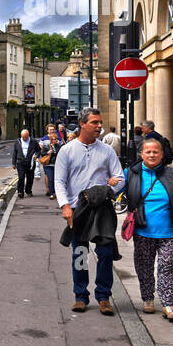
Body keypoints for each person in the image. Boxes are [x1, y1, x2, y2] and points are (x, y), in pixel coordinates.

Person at [55, 107, 124, 314]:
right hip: (78, 210)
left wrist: (109, 187)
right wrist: (65, 206)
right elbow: (59, 181)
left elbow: (120, 178)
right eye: (94, 122)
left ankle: (103, 297)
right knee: (80, 253)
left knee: (105, 253)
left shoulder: (107, 150)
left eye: (100, 122)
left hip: (102, 209)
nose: (99, 126)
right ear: (82, 124)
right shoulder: (67, 150)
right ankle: (81, 296)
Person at [126, 132, 173, 321]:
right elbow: (115, 190)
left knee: (166, 266)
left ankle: (168, 304)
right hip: (142, 230)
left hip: (169, 231)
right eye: (148, 152)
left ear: (162, 154)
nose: (151, 155)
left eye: (155, 152)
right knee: (144, 267)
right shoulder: (131, 173)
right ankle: (148, 299)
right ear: (141, 154)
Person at [12, 127, 40, 198]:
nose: (24, 138)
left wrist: (36, 156)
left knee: (30, 177)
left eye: (26, 137)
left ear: (28, 135)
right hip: (20, 162)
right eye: (23, 137)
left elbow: (38, 150)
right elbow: (14, 153)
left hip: (30, 162)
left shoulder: (33, 141)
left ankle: (28, 190)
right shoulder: (17, 142)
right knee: (21, 177)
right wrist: (13, 163)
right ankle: (20, 192)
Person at [38, 123, 61, 197]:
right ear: (47, 130)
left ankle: (53, 191)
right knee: (48, 176)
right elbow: (41, 149)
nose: (52, 131)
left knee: (54, 178)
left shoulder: (58, 138)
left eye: (53, 129)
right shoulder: (44, 139)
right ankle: (49, 190)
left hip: (56, 163)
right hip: (47, 162)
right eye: (50, 129)